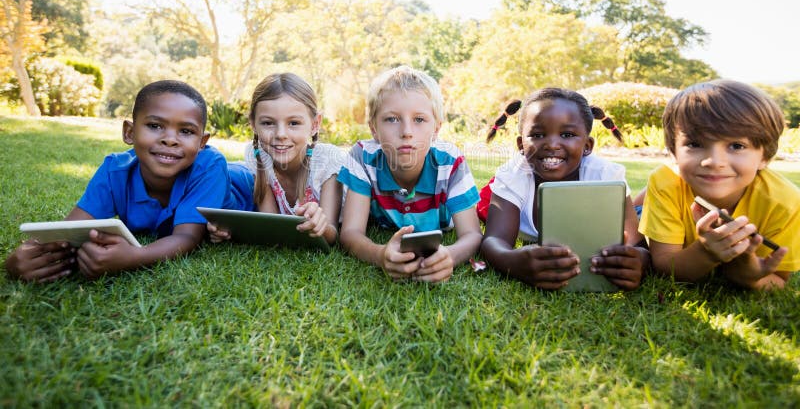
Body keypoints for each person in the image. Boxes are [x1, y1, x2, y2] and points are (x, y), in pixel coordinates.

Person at [5, 80, 235, 282]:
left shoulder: (210, 165)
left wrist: (136, 256)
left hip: (239, 184)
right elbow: (70, 231)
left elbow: (186, 236)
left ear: (202, 142)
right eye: (155, 126)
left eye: (186, 131)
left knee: (251, 176)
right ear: (129, 133)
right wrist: (23, 258)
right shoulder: (115, 170)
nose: (170, 140)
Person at [479, 88, 650, 291]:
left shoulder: (605, 175)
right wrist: (511, 261)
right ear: (521, 145)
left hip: (631, 210)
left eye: (567, 134)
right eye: (537, 134)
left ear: (587, 146)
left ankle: (645, 198)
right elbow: (494, 241)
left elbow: (639, 246)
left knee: (640, 213)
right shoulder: (512, 174)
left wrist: (639, 261)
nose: (552, 144)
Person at [640, 79, 798, 290]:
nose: (714, 162)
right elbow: (664, 265)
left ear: (764, 157)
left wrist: (749, 278)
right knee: (633, 212)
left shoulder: (786, 203)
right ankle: (637, 203)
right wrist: (705, 252)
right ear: (673, 151)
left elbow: (779, 278)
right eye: (694, 144)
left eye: (736, 145)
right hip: (654, 205)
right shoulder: (664, 182)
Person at [337, 65, 483, 283]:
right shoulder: (362, 157)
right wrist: (380, 255)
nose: (406, 132)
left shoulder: (450, 161)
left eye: (419, 119)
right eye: (392, 119)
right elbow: (350, 233)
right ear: (374, 128)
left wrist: (449, 256)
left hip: (442, 225)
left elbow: (472, 234)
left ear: (436, 128)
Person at [208, 73, 344, 246]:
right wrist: (229, 231)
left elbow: (332, 236)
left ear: (315, 124)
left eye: (293, 123)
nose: (280, 134)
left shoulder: (328, 161)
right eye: (268, 123)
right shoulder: (259, 156)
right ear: (253, 124)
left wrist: (321, 226)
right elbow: (272, 226)